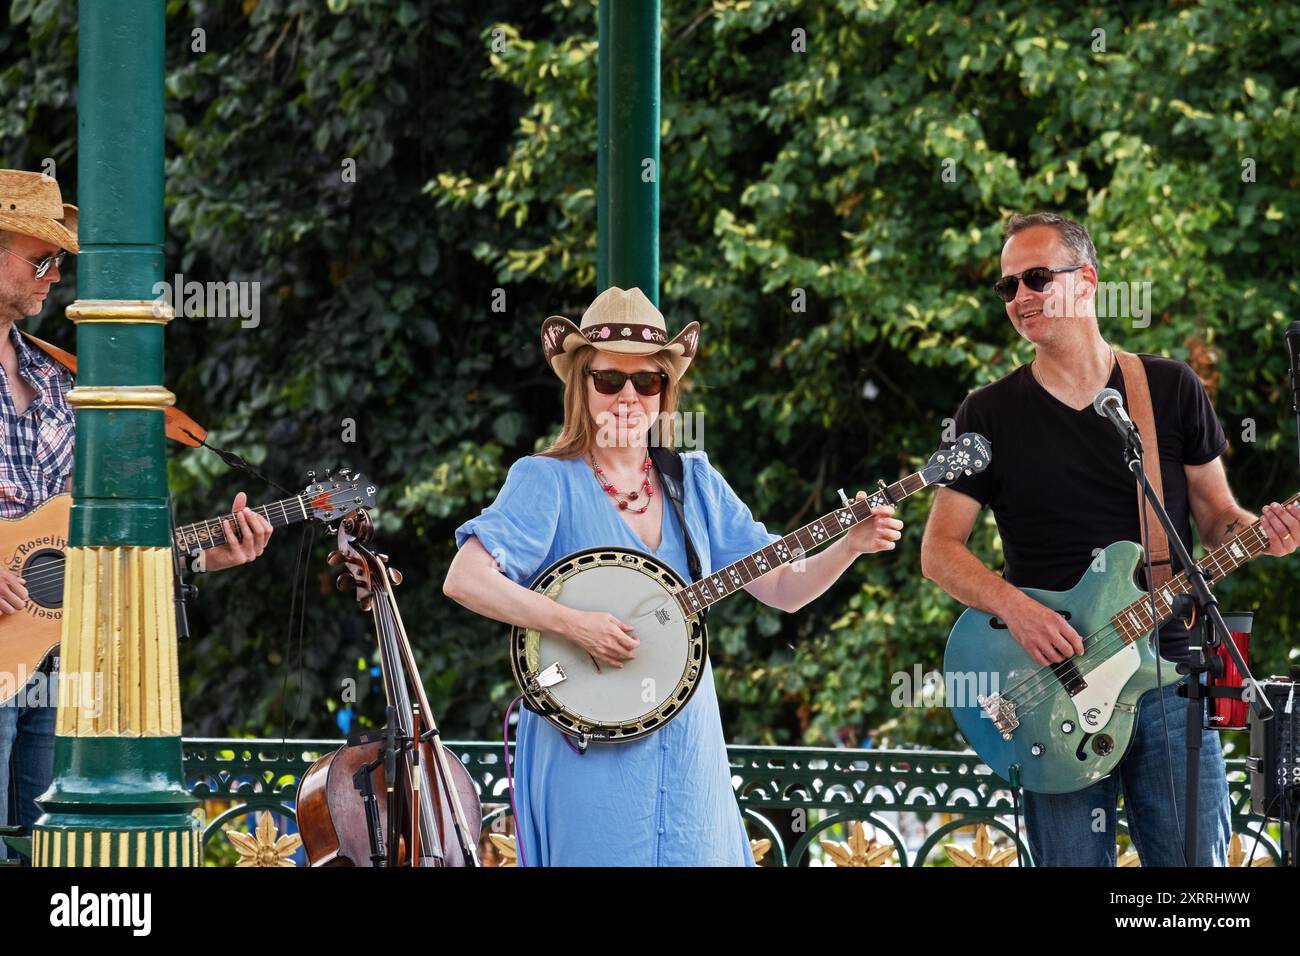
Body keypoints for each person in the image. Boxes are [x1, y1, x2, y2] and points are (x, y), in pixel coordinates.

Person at [443, 285, 904, 865]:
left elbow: (785, 589)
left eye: (648, 381)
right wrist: (575, 625)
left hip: (688, 747)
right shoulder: (545, 480)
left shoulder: (695, 480)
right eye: (610, 380)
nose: (628, 396)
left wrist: (850, 546)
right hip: (587, 750)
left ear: (666, 391)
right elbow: (466, 578)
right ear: (581, 386)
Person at [920, 211, 1300, 866]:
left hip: (1170, 678)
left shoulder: (1166, 389)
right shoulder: (986, 413)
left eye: (1036, 278)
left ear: (1088, 280)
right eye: (1008, 286)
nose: (1019, 298)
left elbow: (1219, 520)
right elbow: (939, 551)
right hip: (1047, 688)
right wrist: (1017, 608)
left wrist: (1269, 534)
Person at [0, 169, 273, 856]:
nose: (55, 276)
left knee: (43, 847)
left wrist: (205, 554)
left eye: (58, 262)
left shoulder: (58, 375)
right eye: (42, 258)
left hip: (55, 652)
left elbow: (81, 543)